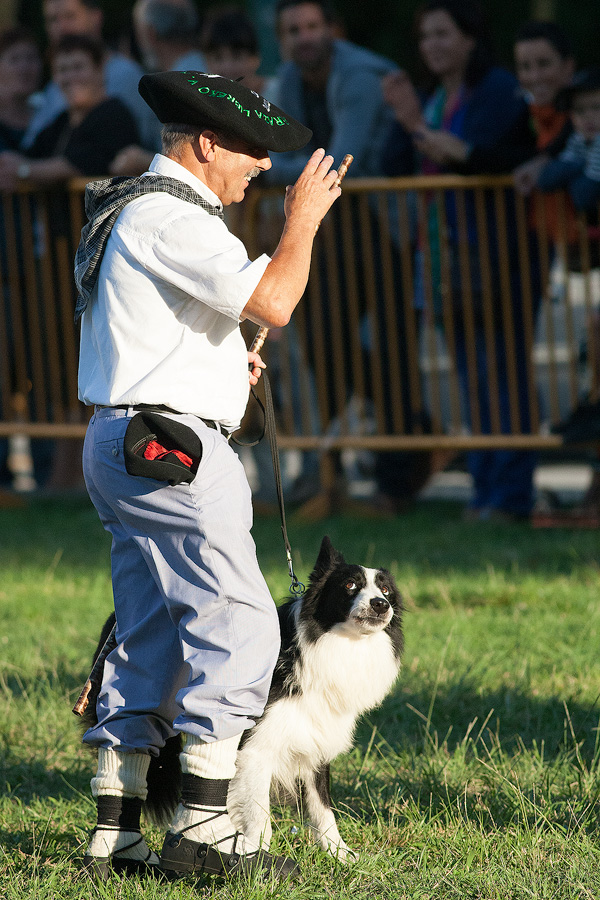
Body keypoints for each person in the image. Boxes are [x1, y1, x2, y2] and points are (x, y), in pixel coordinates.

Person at [76, 70, 340, 879]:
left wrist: (225, 367)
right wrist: (302, 222)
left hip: (126, 439)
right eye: (253, 150)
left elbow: (160, 335)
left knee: (151, 628)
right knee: (244, 626)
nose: (262, 165)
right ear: (206, 143)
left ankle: (115, 835)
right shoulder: (176, 217)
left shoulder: (135, 209)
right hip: (170, 449)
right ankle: (205, 836)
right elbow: (277, 300)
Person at [381, 0, 540, 522]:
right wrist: (406, 123)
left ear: (471, 38)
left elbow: (490, 155)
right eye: (425, 36)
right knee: (471, 376)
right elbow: (394, 161)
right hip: (443, 259)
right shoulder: (431, 97)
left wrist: (414, 124)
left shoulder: (494, 89)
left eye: (443, 33)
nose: (433, 45)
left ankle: (510, 494)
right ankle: (485, 491)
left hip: (499, 256)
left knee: (505, 372)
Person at [0, 34, 139, 189]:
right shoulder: (62, 121)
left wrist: (23, 169)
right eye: (62, 70)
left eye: (78, 67)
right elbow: (30, 155)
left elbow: (77, 165)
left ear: (100, 70)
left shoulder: (113, 114)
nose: (70, 77)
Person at [22, 0, 158, 154]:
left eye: (69, 16)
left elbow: (130, 148)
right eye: (53, 20)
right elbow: (33, 146)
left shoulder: (126, 76)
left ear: (96, 17)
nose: (62, 27)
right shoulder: (54, 88)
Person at [0, 27, 43, 490]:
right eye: (14, 59)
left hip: (38, 268)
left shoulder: (47, 117)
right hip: (3, 265)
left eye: (32, 59)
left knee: (42, 374)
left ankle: (49, 474)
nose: (25, 68)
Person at [110, 0, 206, 177]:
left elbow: (194, 155)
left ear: (150, 33)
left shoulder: (174, 85)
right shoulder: (208, 69)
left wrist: (142, 161)